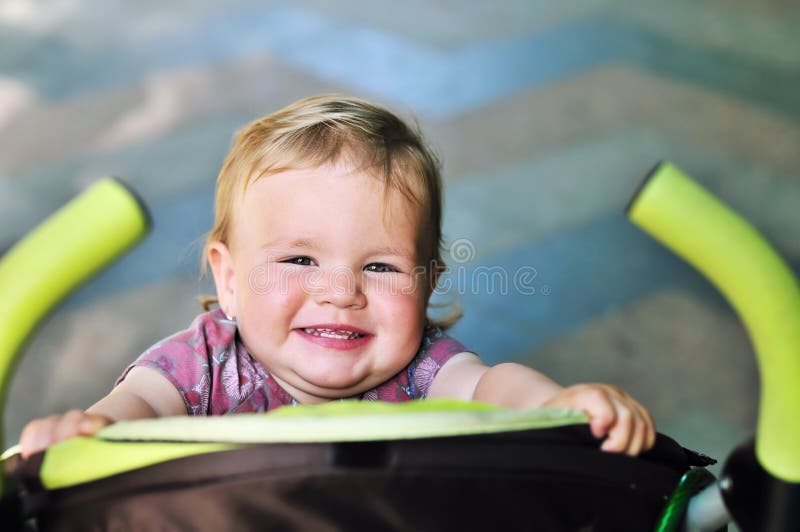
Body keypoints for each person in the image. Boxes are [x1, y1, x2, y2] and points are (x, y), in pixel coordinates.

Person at [20, 95, 655, 459]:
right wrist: (93, 430)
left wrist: (553, 405)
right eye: (299, 259)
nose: (340, 292)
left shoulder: (423, 369)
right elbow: (142, 406)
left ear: (428, 283)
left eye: (379, 266)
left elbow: (493, 385)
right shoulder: (204, 363)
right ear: (231, 279)